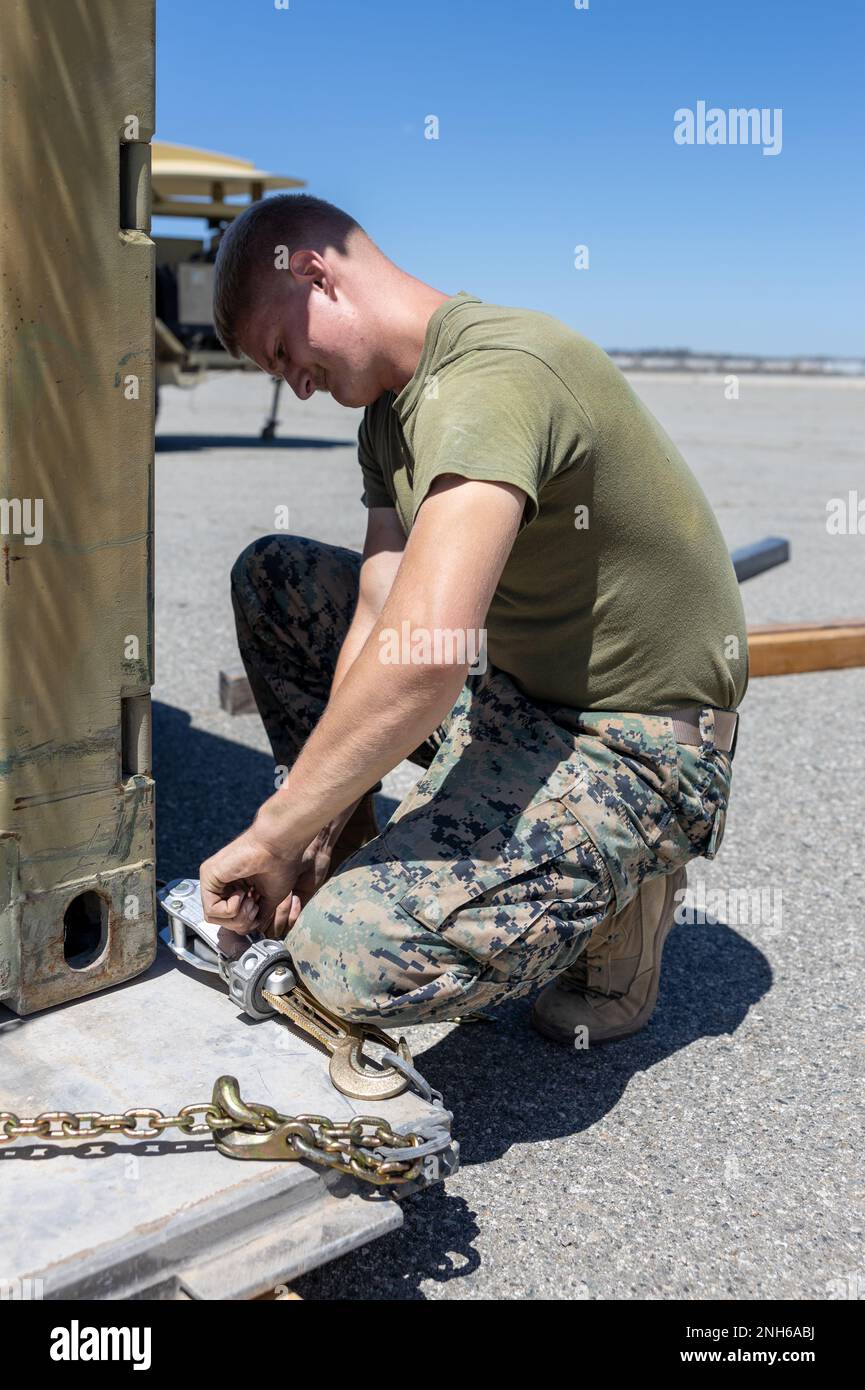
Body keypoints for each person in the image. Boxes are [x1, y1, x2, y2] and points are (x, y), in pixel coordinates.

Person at [199, 193, 746, 1045]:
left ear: (314, 276)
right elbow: (378, 612)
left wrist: (270, 832)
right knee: (279, 579)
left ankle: (627, 897)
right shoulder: (389, 416)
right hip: (512, 694)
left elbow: (426, 655)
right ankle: (350, 865)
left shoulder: (494, 377)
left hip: (632, 741)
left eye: (283, 352)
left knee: (344, 957)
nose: (298, 385)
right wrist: (313, 825)